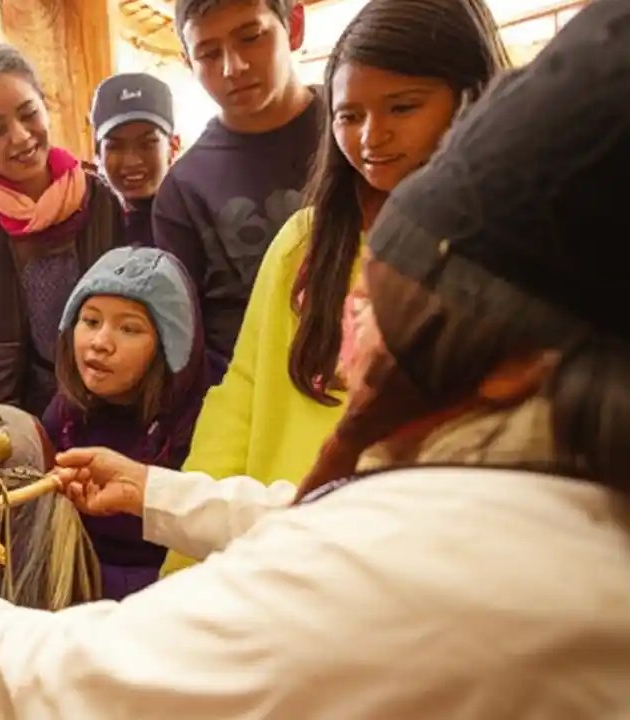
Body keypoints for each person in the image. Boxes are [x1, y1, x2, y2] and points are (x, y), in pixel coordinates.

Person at [0, 1, 630, 715]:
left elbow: (74, 687)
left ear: (512, 361)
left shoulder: (426, 553)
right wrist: (153, 492)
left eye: (385, 305)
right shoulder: (550, 490)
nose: (347, 326)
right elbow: (312, 512)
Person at [163, 0, 509, 576]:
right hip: (271, 549)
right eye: (349, 116)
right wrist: (184, 561)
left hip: (416, 569)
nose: (373, 137)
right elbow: (241, 392)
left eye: (403, 107)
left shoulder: (508, 261)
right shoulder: (305, 242)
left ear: (472, 99)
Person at [0, 44, 126, 453]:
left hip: (106, 411)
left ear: (45, 107)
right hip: (14, 420)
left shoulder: (100, 201)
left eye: (28, 114)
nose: (20, 136)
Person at [153, 0, 321, 378]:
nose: (233, 67)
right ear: (187, 60)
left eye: (251, 37)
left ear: (293, 26)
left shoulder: (358, 132)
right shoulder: (183, 190)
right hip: (256, 402)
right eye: (208, 54)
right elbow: (186, 340)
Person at [40, 247, 207, 600]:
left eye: (129, 328)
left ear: (169, 346)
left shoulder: (200, 425)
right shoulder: (63, 415)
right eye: (90, 321)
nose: (100, 343)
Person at [89, 73, 181, 247]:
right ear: (98, 154)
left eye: (147, 144)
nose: (132, 161)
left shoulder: (200, 222)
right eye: (115, 146)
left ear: (173, 146)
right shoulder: (85, 229)